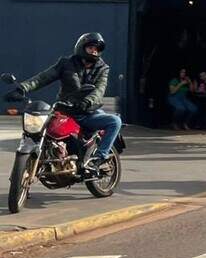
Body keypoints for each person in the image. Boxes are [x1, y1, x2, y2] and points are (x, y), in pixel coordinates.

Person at [4, 32, 121, 176]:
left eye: (97, 48)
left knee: (115, 121)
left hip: (86, 112)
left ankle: (99, 158)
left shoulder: (103, 69)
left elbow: (99, 89)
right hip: (64, 110)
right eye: (91, 47)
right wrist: (22, 88)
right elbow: (43, 78)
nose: (94, 51)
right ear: (81, 47)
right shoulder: (66, 64)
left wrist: (87, 102)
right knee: (40, 132)